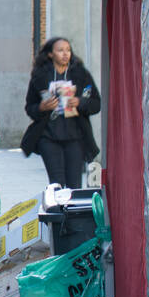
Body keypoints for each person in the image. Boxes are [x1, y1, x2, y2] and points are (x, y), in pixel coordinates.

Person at [20, 37, 101, 189]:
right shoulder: (40, 76)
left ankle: (72, 212)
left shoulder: (81, 74)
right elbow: (29, 107)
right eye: (60, 50)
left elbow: (96, 103)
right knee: (56, 183)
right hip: (48, 136)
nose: (65, 54)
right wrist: (41, 107)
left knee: (74, 184)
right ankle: (58, 212)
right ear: (50, 54)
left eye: (68, 50)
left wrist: (80, 102)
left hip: (75, 136)